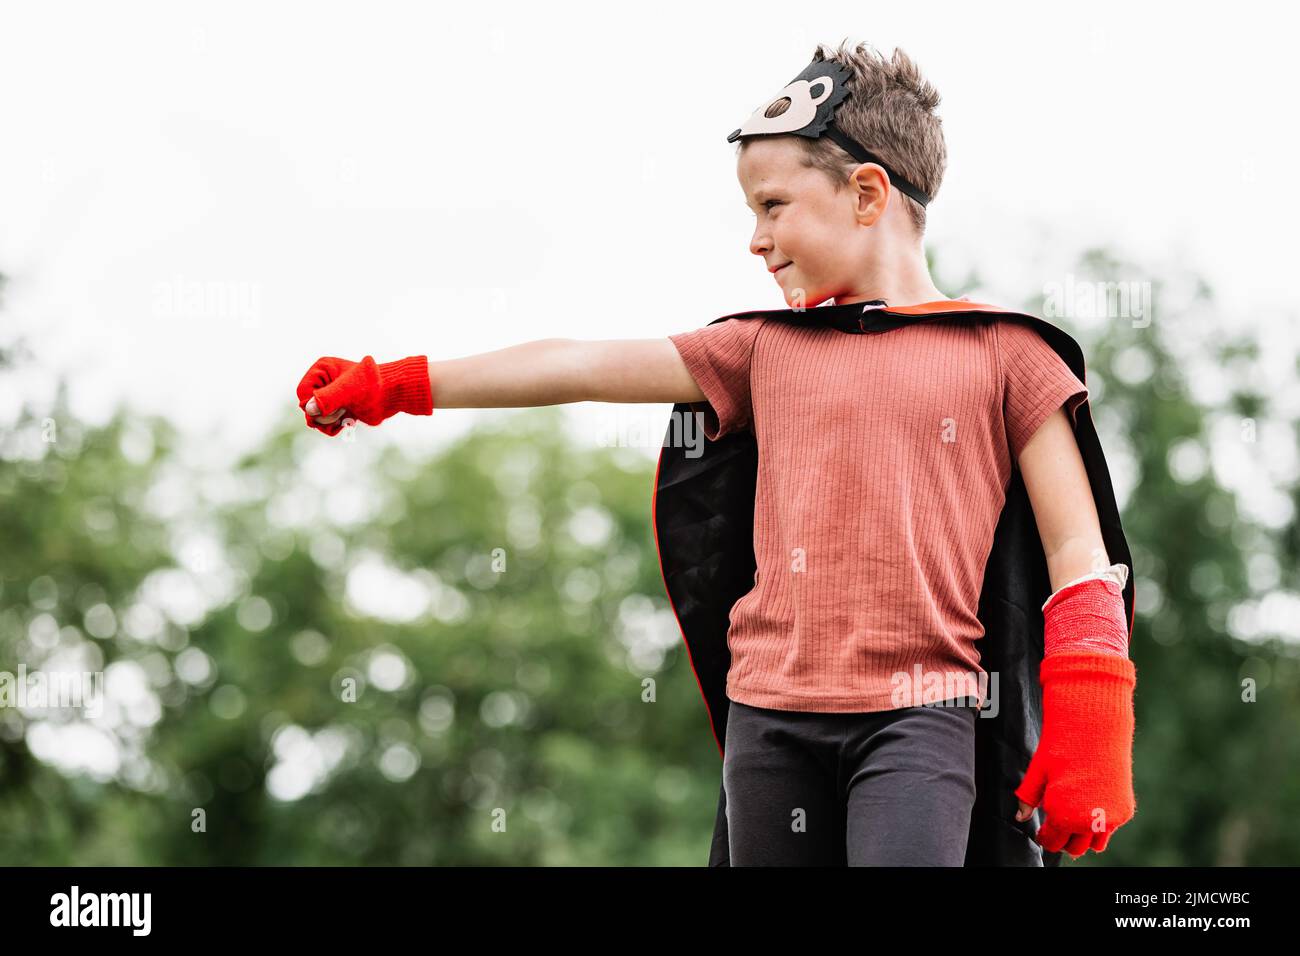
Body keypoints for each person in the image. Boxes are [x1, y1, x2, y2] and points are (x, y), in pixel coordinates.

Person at [295, 39, 1137, 867]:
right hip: (768, 718)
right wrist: (396, 384)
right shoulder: (756, 350)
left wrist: (1092, 728)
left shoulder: (1010, 353)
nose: (756, 239)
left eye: (772, 207)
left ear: (869, 193)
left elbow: (1080, 556)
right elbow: (577, 364)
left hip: (922, 717)